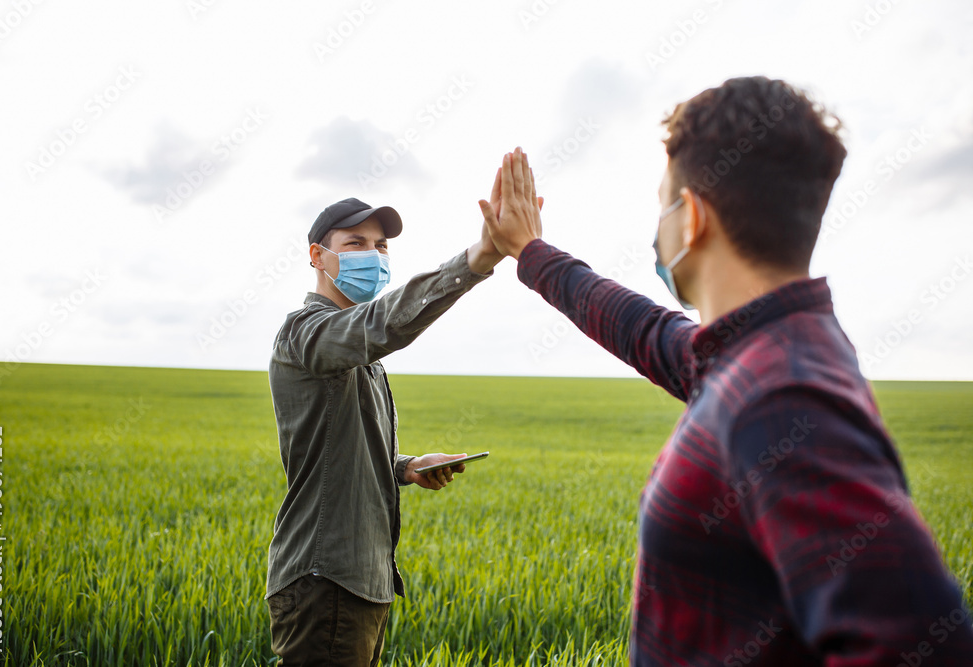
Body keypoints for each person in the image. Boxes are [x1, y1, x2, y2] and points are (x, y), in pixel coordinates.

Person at [480, 77, 973, 665]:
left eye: (662, 205)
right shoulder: (761, 351)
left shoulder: (782, 395)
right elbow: (647, 332)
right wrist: (532, 253)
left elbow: (919, 641)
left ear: (690, 218)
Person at [264, 184, 516, 666]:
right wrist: (478, 258)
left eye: (380, 246)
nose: (373, 255)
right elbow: (383, 324)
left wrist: (405, 467)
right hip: (325, 578)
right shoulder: (306, 333)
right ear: (318, 256)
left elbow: (340, 446)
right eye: (354, 244)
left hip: (361, 580)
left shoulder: (358, 353)